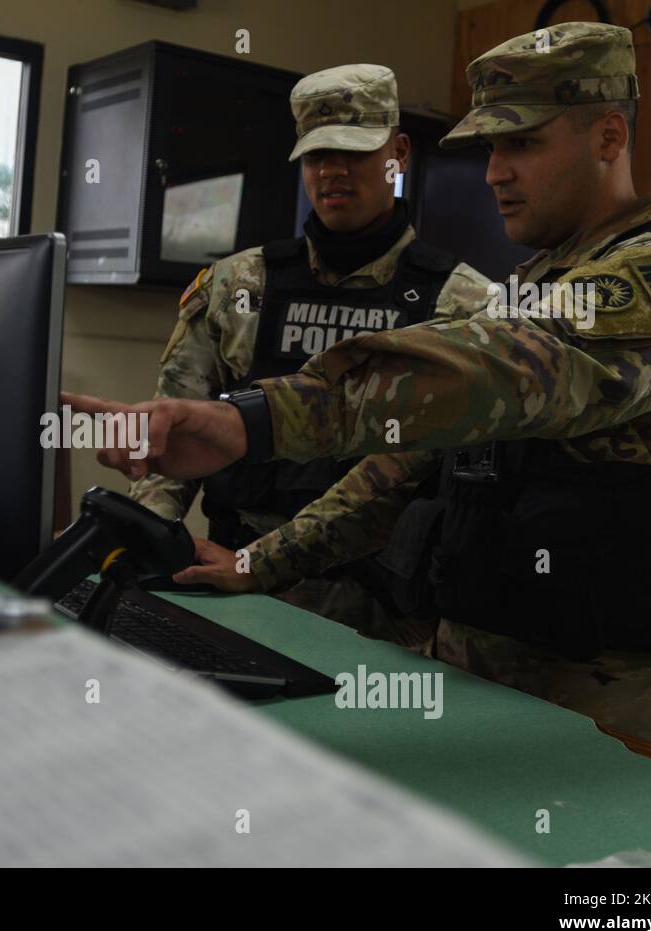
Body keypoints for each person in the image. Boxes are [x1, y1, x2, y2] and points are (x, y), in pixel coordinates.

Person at [67, 22, 651, 775]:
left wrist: (251, 419)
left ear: (609, 135)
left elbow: (505, 373)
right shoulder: (522, 293)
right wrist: (259, 562)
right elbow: (400, 465)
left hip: (639, 732)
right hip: (485, 695)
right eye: (489, 148)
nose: (494, 173)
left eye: (520, 144)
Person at [130, 64, 490, 649]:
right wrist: (150, 540)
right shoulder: (237, 284)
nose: (333, 172)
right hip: (233, 586)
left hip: (385, 613)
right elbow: (174, 419)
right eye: (317, 155)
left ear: (398, 154)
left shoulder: (462, 302)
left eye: (354, 152)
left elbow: (414, 469)